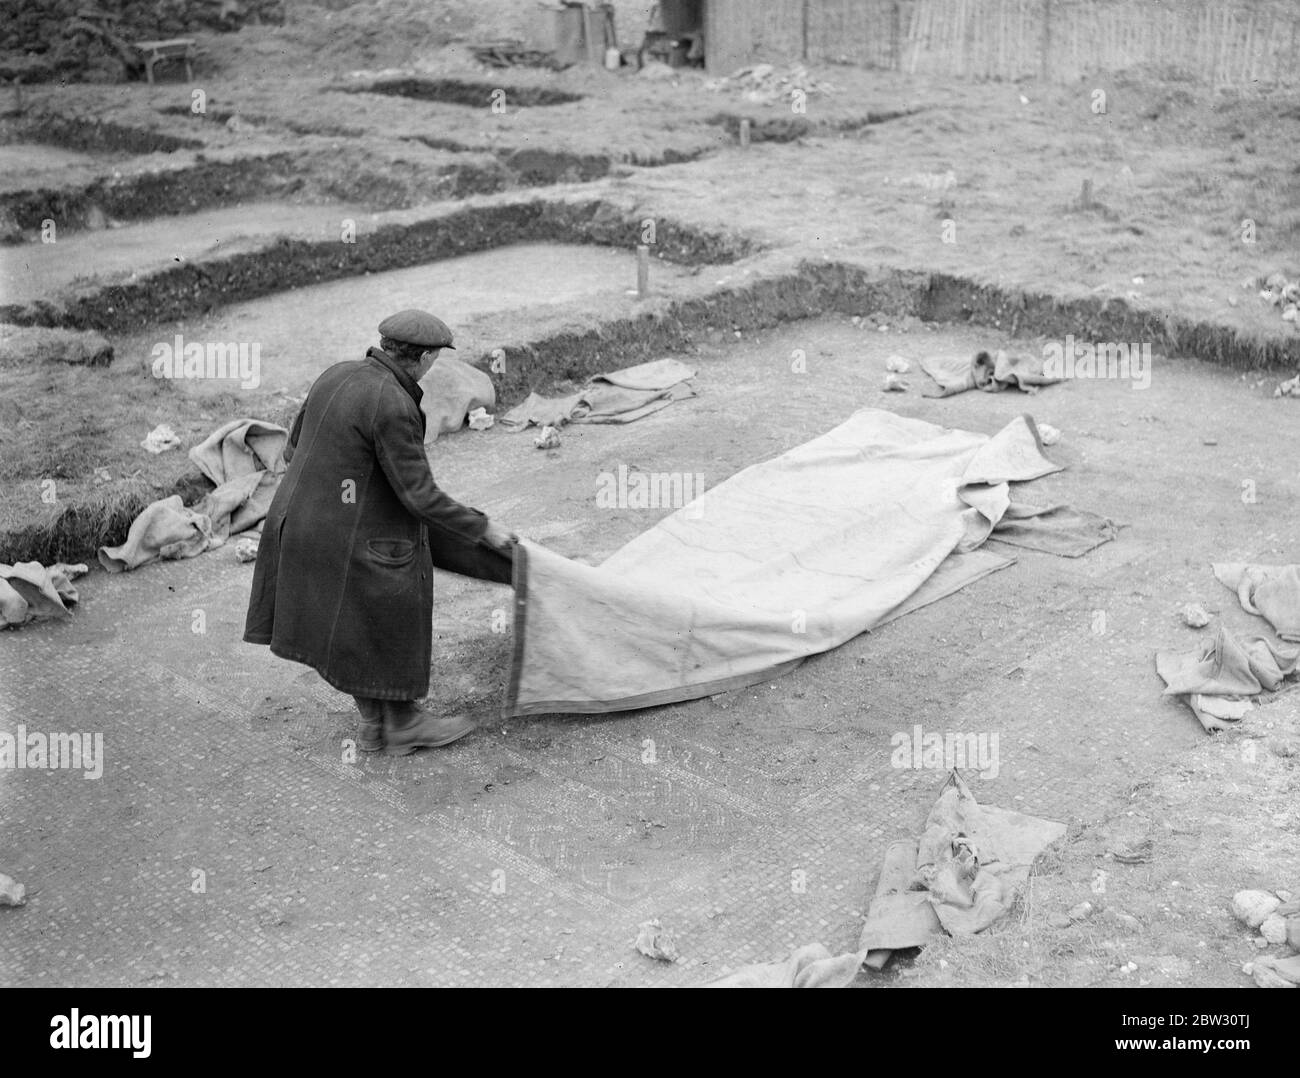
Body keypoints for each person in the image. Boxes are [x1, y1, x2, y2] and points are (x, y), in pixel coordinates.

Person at [243, 309, 516, 755]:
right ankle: (405, 723)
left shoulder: (335, 375)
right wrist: (484, 527)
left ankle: (375, 723)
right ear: (426, 358)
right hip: (335, 535)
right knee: (396, 589)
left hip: (292, 526)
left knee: (346, 625)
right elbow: (420, 497)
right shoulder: (392, 403)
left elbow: (293, 451)